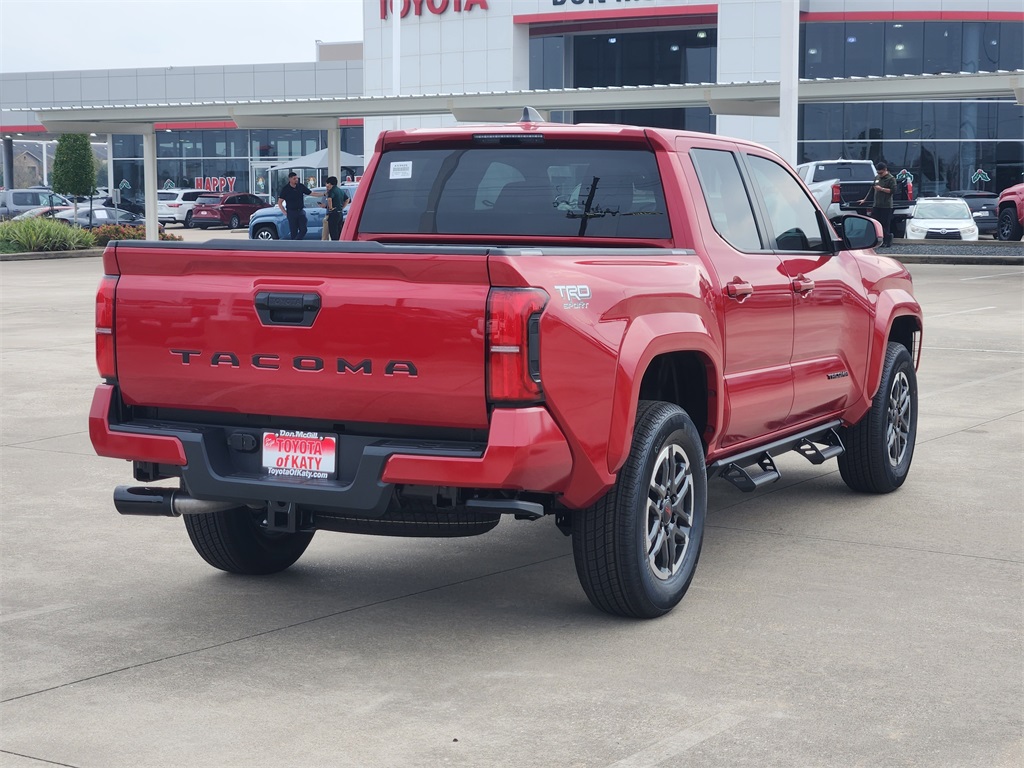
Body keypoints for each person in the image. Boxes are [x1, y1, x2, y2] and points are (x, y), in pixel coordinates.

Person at [859, 162, 897, 247]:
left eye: (881, 172)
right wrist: (865, 199)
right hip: (876, 204)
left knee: (885, 223)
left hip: (886, 205)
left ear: (885, 170)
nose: (879, 174)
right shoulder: (877, 178)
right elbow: (872, 189)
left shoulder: (891, 179)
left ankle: (887, 240)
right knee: (874, 222)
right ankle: (877, 239)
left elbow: (893, 191)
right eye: (878, 172)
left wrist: (882, 189)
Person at [277, 171, 314, 240]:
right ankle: (294, 246)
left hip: (300, 211)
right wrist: (285, 212)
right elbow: (280, 202)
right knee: (293, 231)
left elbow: (310, 193)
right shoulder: (286, 189)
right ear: (290, 179)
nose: (296, 180)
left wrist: (323, 194)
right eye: (294, 178)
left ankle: (296, 242)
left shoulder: (300, 186)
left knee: (303, 230)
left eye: (297, 178)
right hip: (291, 212)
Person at [324, 176, 349, 241]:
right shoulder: (340, 190)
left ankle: (335, 246)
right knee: (339, 231)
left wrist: (331, 208)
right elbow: (347, 199)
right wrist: (342, 207)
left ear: (329, 183)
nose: (326, 185)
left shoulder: (331, 191)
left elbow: (329, 199)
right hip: (340, 213)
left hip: (333, 214)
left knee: (333, 232)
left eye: (327, 183)